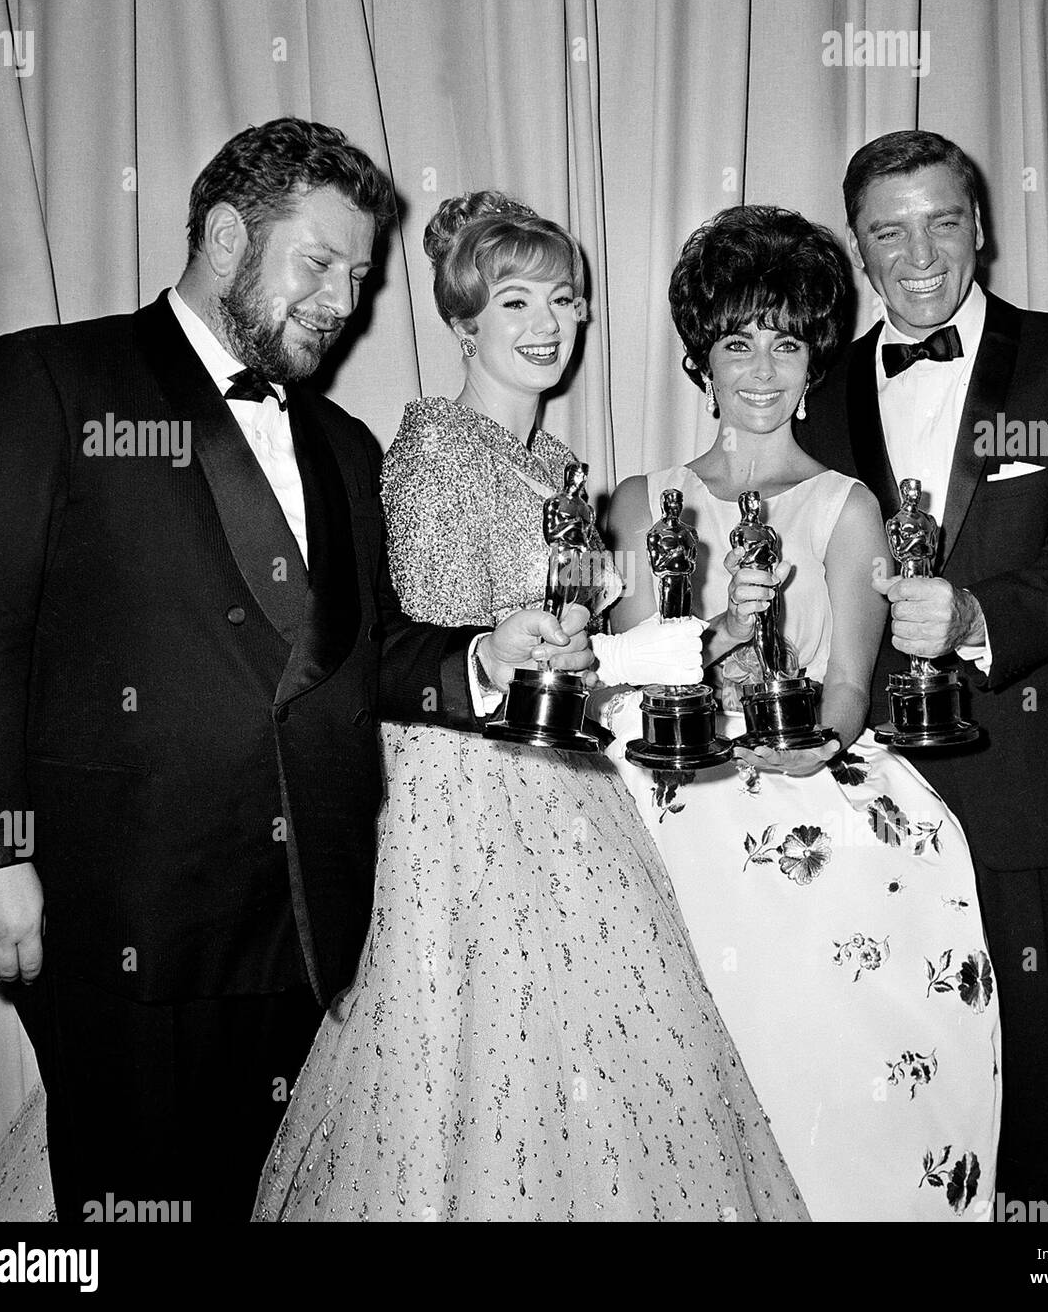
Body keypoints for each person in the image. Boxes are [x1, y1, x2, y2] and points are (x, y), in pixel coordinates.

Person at [0, 120, 595, 1224]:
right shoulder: (50, 376)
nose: (343, 301)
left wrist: (484, 656)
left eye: (357, 275)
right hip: (123, 911)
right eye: (318, 263)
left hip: (309, 923)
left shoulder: (345, 443)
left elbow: (368, 656)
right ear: (226, 233)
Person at [253, 192, 808, 1222]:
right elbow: (418, 664)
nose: (547, 322)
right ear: (462, 322)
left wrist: (722, 630)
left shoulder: (556, 469)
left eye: (563, 298)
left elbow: (582, 668)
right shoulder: (429, 454)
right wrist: (521, 656)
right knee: (463, 1081)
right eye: (514, 301)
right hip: (459, 809)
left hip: (566, 791)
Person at [607, 204, 1002, 1221]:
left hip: (807, 791)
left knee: (834, 1091)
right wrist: (718, 641)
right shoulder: (637, 502)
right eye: (736, 340)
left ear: (813, 354)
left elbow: (848, 690)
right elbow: (632, 679)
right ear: (699, 355)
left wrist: (808, 741)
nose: (760, 367)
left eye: (784, 340)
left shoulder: (846, 503)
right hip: (671, 799)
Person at [796, 130, 1048, 1221]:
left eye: (940, 221)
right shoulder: (809, 393)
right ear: (856, 246)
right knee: (895, 1119)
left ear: (979, 224)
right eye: (885, 231)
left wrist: (976, 614)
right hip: (869, 817)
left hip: (1036, 800)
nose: (916, 254)